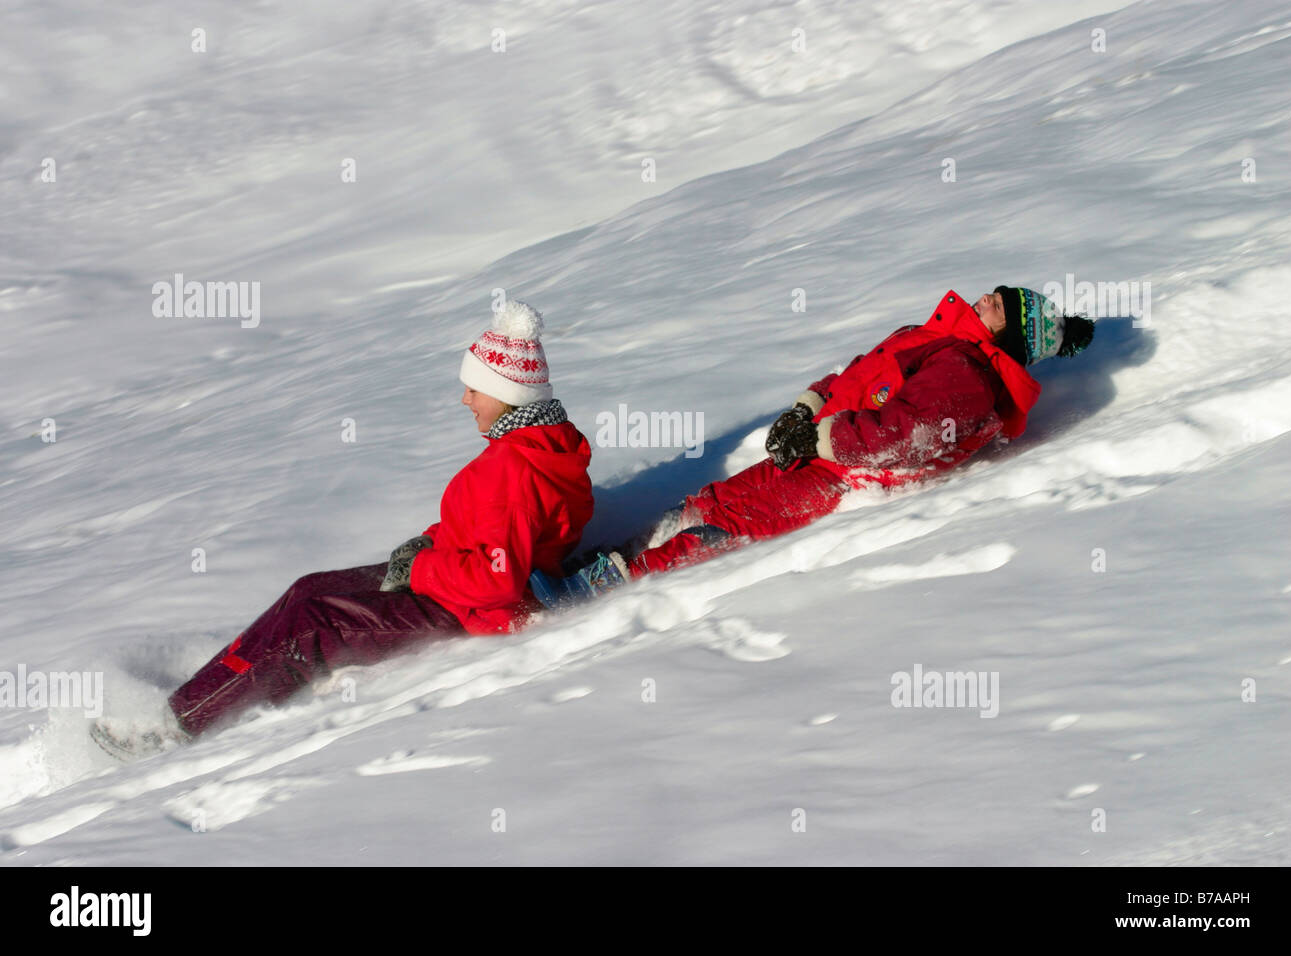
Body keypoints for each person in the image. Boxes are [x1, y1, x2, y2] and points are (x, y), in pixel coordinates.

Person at [92, 301, 594, 758]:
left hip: (468, 612)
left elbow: (496, 580)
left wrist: (421, 564)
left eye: (474, 389)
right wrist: (431, 542)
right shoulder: (538, 446)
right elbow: (492, 530)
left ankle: (178, 731)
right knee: (308, 589)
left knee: (311, 628)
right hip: (452, 581)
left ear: (508, 394)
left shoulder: (513, 468)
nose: (465, 400)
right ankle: (209, 689)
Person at [531, 286, 1094, 605]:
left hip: (836, 474)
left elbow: (903, 436)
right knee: (710, 503)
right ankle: (612, 559)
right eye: (1000, 292)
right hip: (815, 448)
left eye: (1004, 305)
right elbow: (857, 373)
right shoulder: (940, 337)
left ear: (1011, 335)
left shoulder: (967, 375)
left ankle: (596, 589)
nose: (991, 296)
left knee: (727, 526)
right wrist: (805, 408)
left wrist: (822, 437)